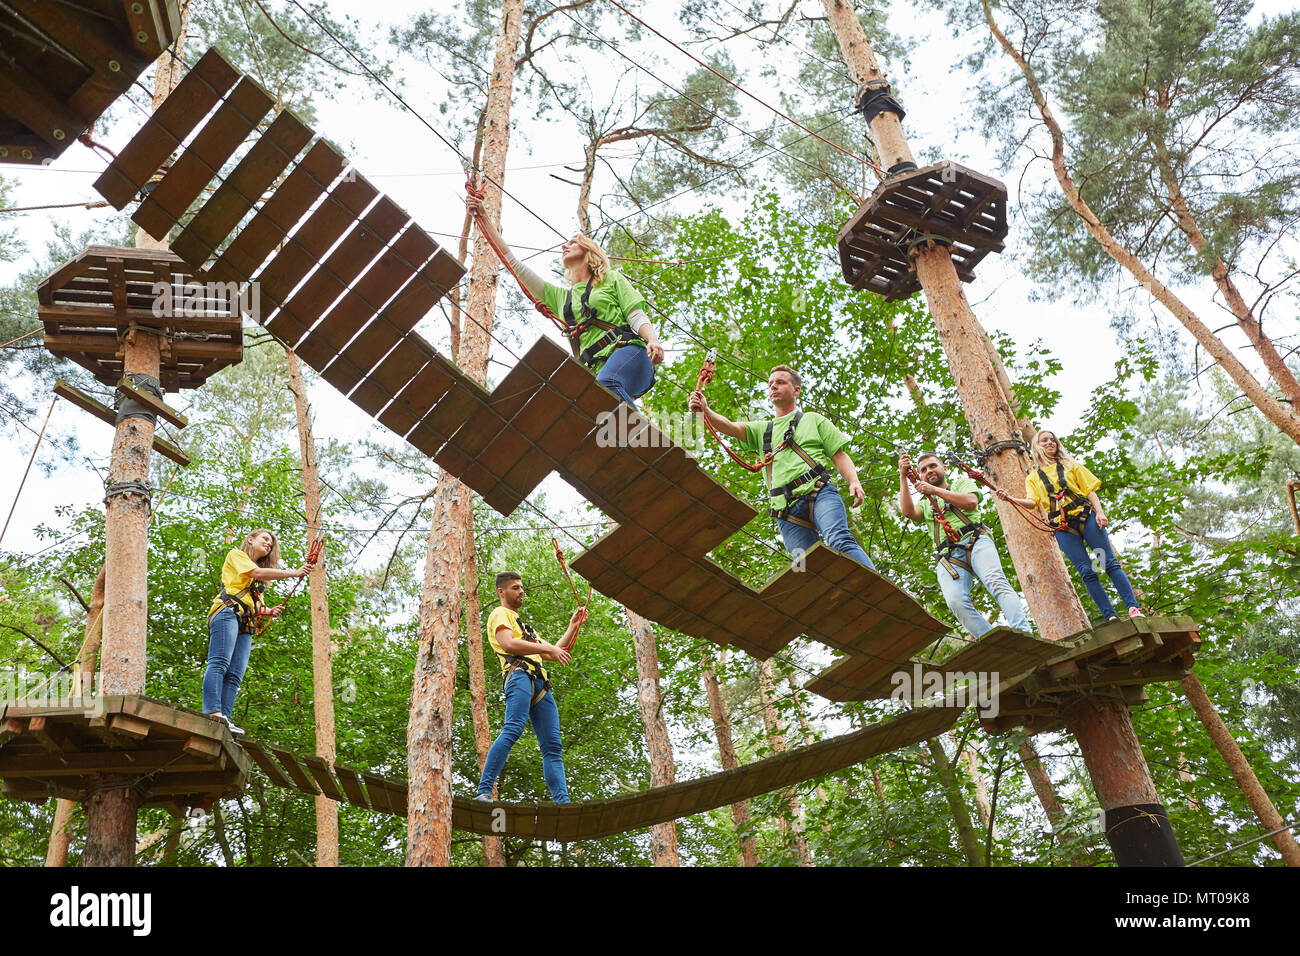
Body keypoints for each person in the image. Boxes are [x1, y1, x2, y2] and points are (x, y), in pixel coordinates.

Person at [466, 194, 664, 407]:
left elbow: (635, 314)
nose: (564, 247)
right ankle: (625, 436)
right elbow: (512, 262)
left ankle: (638, 439)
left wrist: (652, 340)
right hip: (596, 371)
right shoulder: (561, 299)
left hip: (629, 355)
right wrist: (484, 217)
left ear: (589, 251)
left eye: (572, 243)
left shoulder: (610, 279)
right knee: (592, 410)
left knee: (606, 385)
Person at [689, 365, 875, 569]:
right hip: (785, 510)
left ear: (796, 390)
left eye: (780, 382)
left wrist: (854, 482)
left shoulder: (813, 420)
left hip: (819, 491)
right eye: (770, 384)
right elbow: (731, 427)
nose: (773, 387)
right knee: (805, 567)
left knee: (839, 540)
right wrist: (706, 410)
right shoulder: (762, 429)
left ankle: (876, 589)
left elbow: (839, 455)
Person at [998, 430, 1143, 623]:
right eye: (1045, 440)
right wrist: (1010, 499)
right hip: (1063, 528)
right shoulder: (1033, 478)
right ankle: (1110, 616)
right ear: (1036, 447)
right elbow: (1032, 502)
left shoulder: (1070, 465)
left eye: (1053, 440)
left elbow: (1089, 491)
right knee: (1087, 571)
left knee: (1108, 562)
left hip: (1086, 518)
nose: (1050, 443)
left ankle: (1133, 608)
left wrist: (1100, 512)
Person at [475, 571, 587, 803]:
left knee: (553, 746)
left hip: (540, 684)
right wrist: (549, 650)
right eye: (515, 587)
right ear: (501, 592)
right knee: (513, 729)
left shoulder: (524, 627)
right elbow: (508, 643)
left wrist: (572, 626)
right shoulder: (500, 614)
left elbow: (554, 652)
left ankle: (562, 802)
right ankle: (484, 791)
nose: (521, 591)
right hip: (518, 676)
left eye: (521, 587)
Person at [898, 452, 1031, 638]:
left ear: (944, 468)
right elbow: (908, 512)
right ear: (920, 476)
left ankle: (1023, 633)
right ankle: (992, 641)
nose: (929, 471)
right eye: (923, 470)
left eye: (933, 466)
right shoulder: (926, 504)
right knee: (955, 602)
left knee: (995, 581)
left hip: (975, 541)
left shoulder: (961, 484)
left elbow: (971, 502)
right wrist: (903, 476)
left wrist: (934, 490)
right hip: (948, 556)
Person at [203, 529, 313, 734]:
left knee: (235, 674)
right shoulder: (237, 556)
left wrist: (268, 611)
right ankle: (212, 712)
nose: (269, 544)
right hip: (227, 611)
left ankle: (224, 719)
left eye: (271, 544)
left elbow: (253, 604)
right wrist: (295, 572)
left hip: (245, 622)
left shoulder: (257, 584)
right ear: (251, 539)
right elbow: (255, 572)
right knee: (220, 663)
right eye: (265, 539)